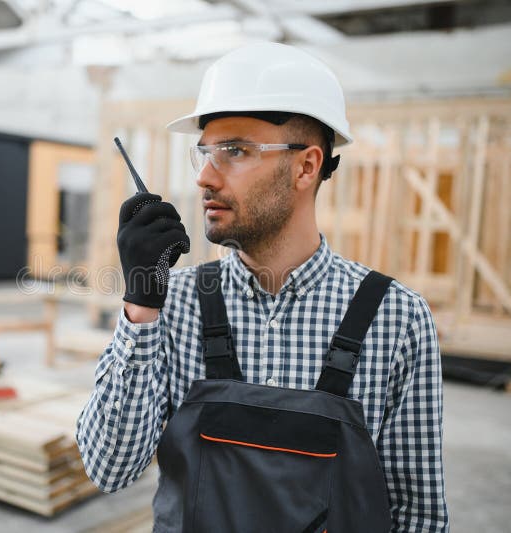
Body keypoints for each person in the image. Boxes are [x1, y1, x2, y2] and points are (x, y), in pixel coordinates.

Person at [77, 42, 448, 532]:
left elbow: (417, 515)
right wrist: (142, 307)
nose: (206, 177)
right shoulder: (175, 304)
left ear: (306, 166)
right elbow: (109, 469)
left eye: (234, 151)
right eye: (205, 153)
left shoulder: (396, 319)